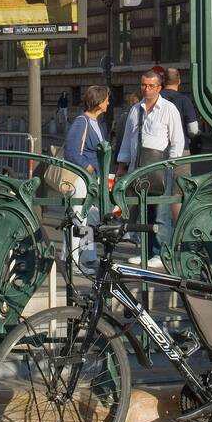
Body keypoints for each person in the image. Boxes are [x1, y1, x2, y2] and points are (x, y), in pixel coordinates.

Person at [116, 70, 184, 266]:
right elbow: (128, 141)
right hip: (138, 169)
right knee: (142, 211)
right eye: (144, 85)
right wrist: (122, 166)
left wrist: (170, 165)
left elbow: (177, 140)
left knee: (161, 211)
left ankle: (161, 253)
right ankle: (144, 251)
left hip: (160, 167)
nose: (147, 89)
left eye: (151, 86)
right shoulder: (135, 110)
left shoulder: (168, 109)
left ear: (159, 87)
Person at [61, 84, 110, 275]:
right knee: (79, 218)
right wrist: (88, 167)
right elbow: (72, 152)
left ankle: (87, 258)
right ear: (99, 101)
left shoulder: (96, 122)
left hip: (91, 179)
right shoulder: (82, 122)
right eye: (106, 99)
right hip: (82, 179)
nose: (108, 102)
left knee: (88, 218)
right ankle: (73, 260)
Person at [162, 68, 201, 152]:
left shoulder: (156, 99)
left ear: (163, 81)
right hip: (181, 149)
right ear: (179, 81)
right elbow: (193, 129)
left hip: (159, 149)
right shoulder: (185, 100)